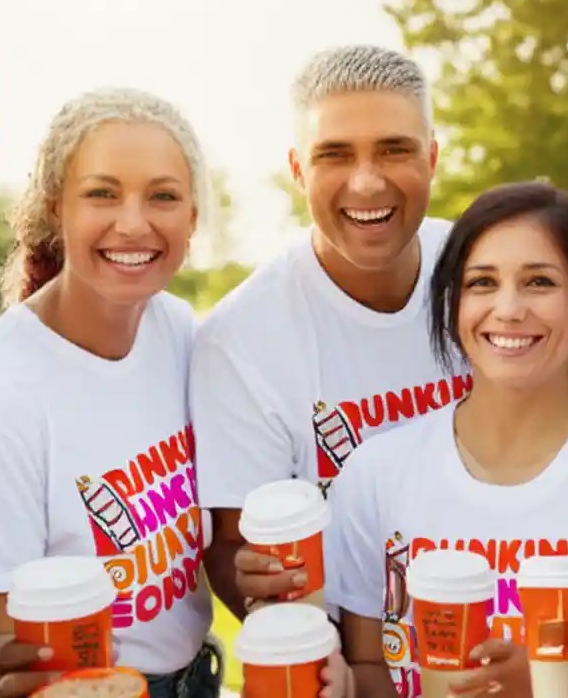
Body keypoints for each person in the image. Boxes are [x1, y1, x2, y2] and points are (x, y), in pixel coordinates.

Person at [328, 181, 568, 696]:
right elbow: (367, 667)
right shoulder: (376, 475)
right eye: (482, 282)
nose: (509, 309)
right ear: (452, 302)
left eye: (539, 282)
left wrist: (542, 686)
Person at [0, 88, 253, 698]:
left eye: (164, 196)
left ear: (193, 218)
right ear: (57, 208)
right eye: (102, 193)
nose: (133, 223)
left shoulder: (180, 333)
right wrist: (34, 676)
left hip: (196, 679)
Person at [190, 45, 469, 620]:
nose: (366, 183)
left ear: (432, 157)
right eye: (334, 155)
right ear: (298, 170)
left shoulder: (484, 272)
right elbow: (234, 547)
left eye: (395, 150)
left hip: (496, 627)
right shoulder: (241, 340)